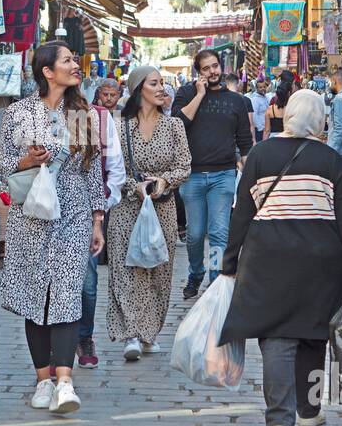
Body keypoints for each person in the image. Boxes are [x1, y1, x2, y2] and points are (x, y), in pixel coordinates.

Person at [220, 90, 342, 426]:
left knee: (276, 335)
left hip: (267, 257)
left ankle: (277, 421)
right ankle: (308, 410)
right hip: (322, 260)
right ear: (320, 120)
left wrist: (229, 262)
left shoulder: (259, 155)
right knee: (313, 332)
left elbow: (241, 212)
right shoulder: (330, 159)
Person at [0, 43, 105, 414]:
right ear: (47, 71)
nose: (76, 65)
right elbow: (3, 167)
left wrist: (97, 219)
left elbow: (92, 172)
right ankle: (43, 379)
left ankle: (64, 382)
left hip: (72, 215)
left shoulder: (80, 114)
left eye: (74, 60)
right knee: (35, 296)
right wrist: (27, 158)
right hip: (30, 216)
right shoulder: (17, 113)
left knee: (66, 292)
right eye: (68, 60)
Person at [106, 65, 191, 361]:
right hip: (127, 207)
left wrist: (164, 182)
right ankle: (130, 332)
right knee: (127, 270)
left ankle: (149, 332)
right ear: (138, 87)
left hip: (163, 208)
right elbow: (114, 170)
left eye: (162, 83)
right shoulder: (119, 127)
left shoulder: (174, 126)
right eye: (154, 83)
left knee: (158, 271)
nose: (161, 88)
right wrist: (135, 186)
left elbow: (184, 165)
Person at [172, 50, 254, 299]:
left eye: (215, 66)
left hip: (223, 175)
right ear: (199, 72)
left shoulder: (236, 101)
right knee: (195, 234)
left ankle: (215, 280)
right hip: (192, 175)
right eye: (206, 68)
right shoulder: (186, 94)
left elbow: (245, 140)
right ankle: (196, 272)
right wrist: (199, 95)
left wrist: (249, 176)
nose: (213, 72)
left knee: (219, 233)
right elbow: (177, 123)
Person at [77, 77, 126, 369]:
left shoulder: (100, 119)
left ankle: (84, 336)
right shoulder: (42, 113)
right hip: (49, 213)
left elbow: (114, 169)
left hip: (87, 212)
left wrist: (101, 209)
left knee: (88, 283)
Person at [264, 71, 297, 136]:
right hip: (289, 140)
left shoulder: (270, 108)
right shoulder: (294, 107)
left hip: (273, 140)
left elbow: (267, 131)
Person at [248, 78, 272, 143]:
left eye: (264, 87)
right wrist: (261, 127)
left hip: (266, 129)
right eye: (260, 87)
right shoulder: (255, 99)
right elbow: (254, 115)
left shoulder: (266, 97)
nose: (263, 89)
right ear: (257, 88)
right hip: (260, 130)